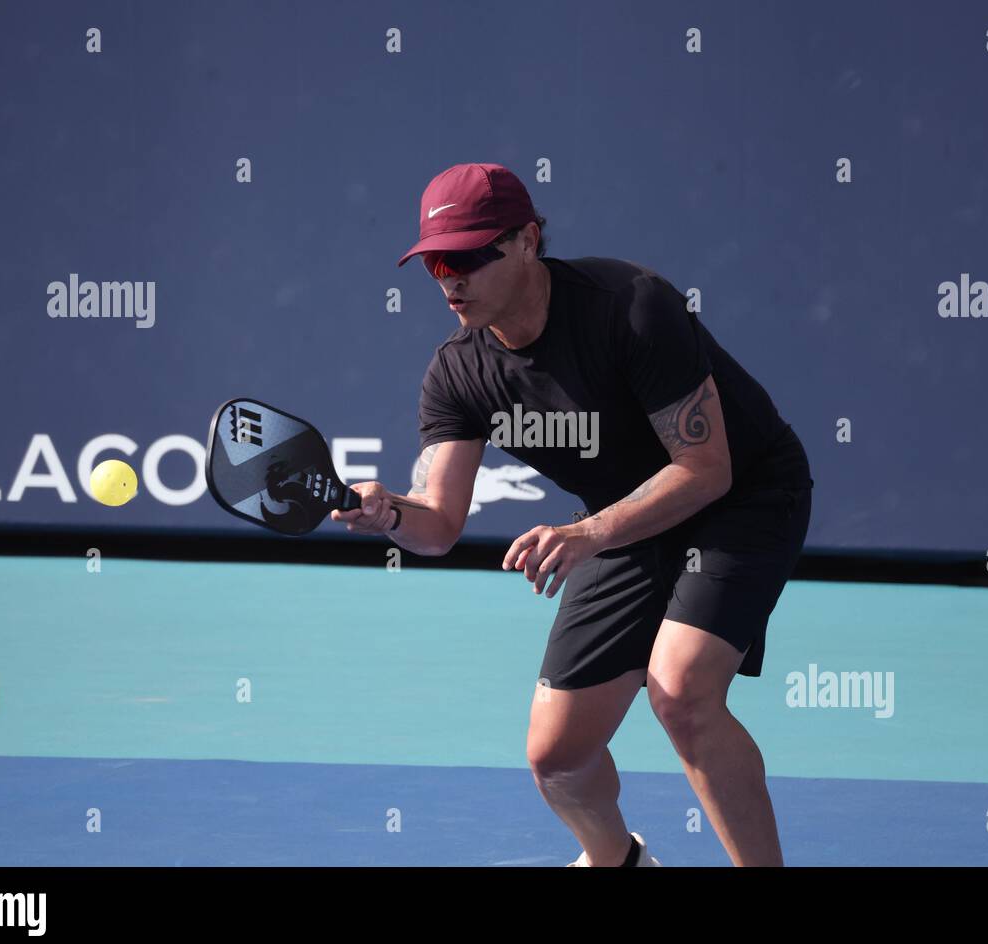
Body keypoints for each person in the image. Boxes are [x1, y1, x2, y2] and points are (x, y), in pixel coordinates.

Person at [331, 162, 813, 867]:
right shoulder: (458, 374)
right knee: (557, 756)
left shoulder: (633, 306)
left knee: (680, 691)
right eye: (435, 262)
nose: (449, 279)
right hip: (621, 518)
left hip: (742, 495)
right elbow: (436, 522)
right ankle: (619, 861)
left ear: (527, 239)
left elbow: (707, 470)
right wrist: (387, 514)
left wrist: (587, 532)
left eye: (467, 256)